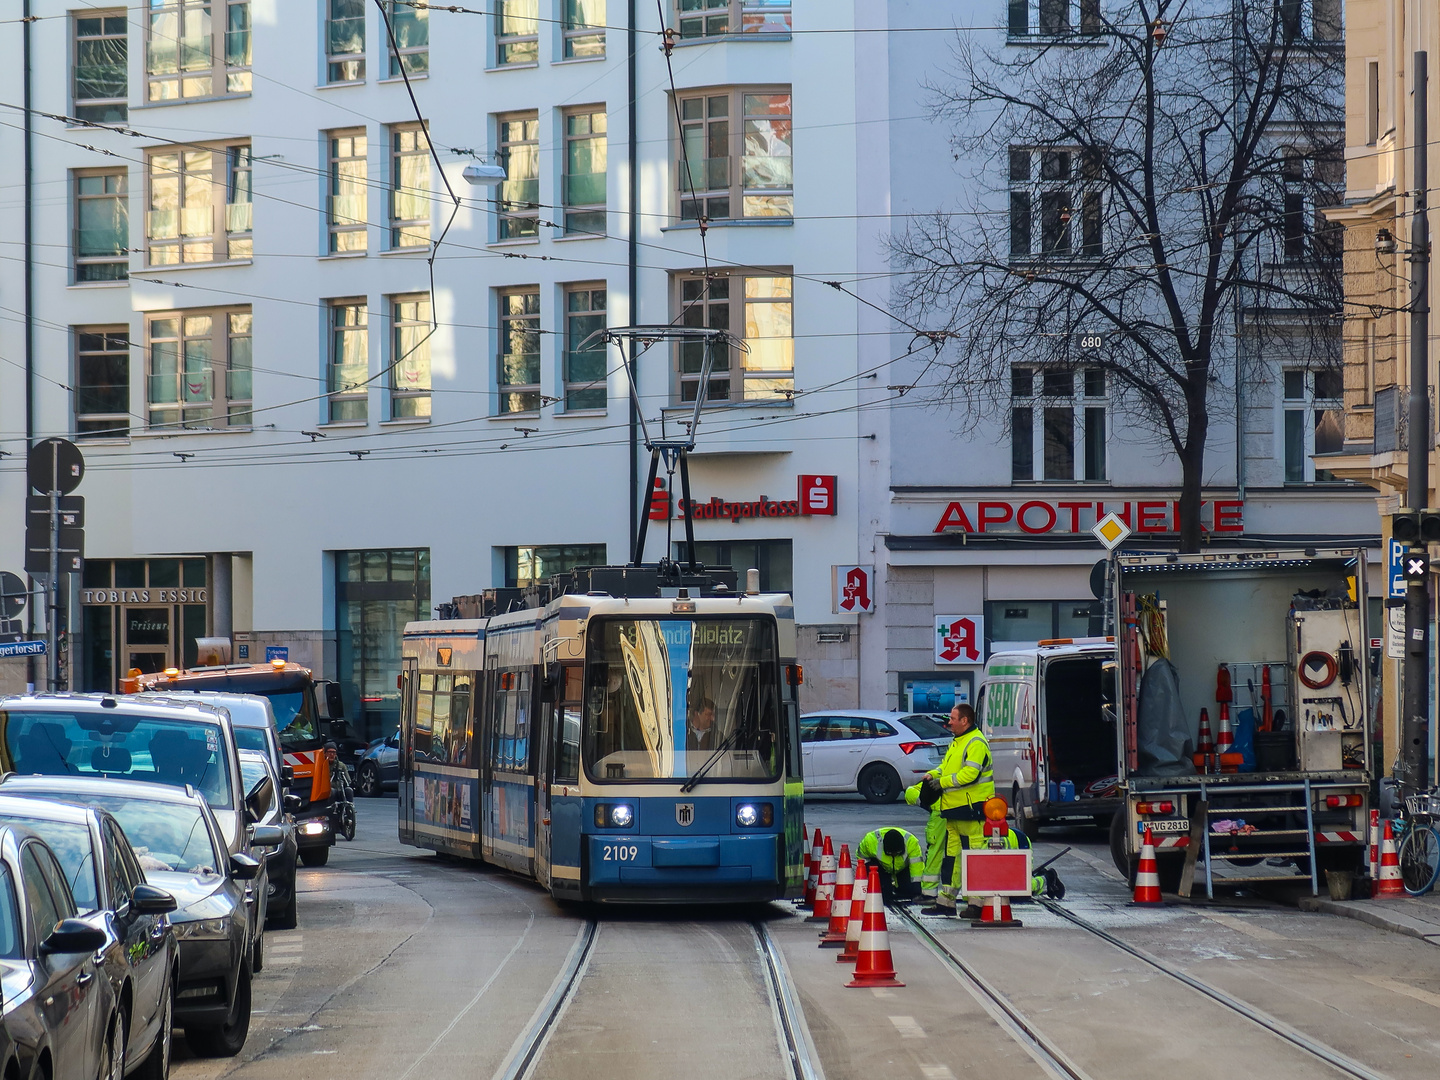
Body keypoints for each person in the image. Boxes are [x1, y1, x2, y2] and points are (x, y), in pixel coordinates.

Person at [919, 703, 994, 919]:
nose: (948, 722)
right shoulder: (958, 741)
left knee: (974, 858)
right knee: (952, 858)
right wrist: (933, 774)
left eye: (953, 718)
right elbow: (946, 768)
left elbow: (970, 774)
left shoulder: (976, 742)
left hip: (972, 810)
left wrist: (941, 782)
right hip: (955, 810)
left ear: (965, 720)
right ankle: (946, 902)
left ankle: (976, 905)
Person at [856, 827, 925, 904]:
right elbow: (862, 858)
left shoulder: (911, 843)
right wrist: (869, 874)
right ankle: (887, 886)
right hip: (880, 868)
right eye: (890, 854)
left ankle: (897, 886)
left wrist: (917, 887)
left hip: (903, 868)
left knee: (908, 891)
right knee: (883, 894)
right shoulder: (870, 842)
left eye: (897, 853)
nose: (894, 855)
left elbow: (917, 867)